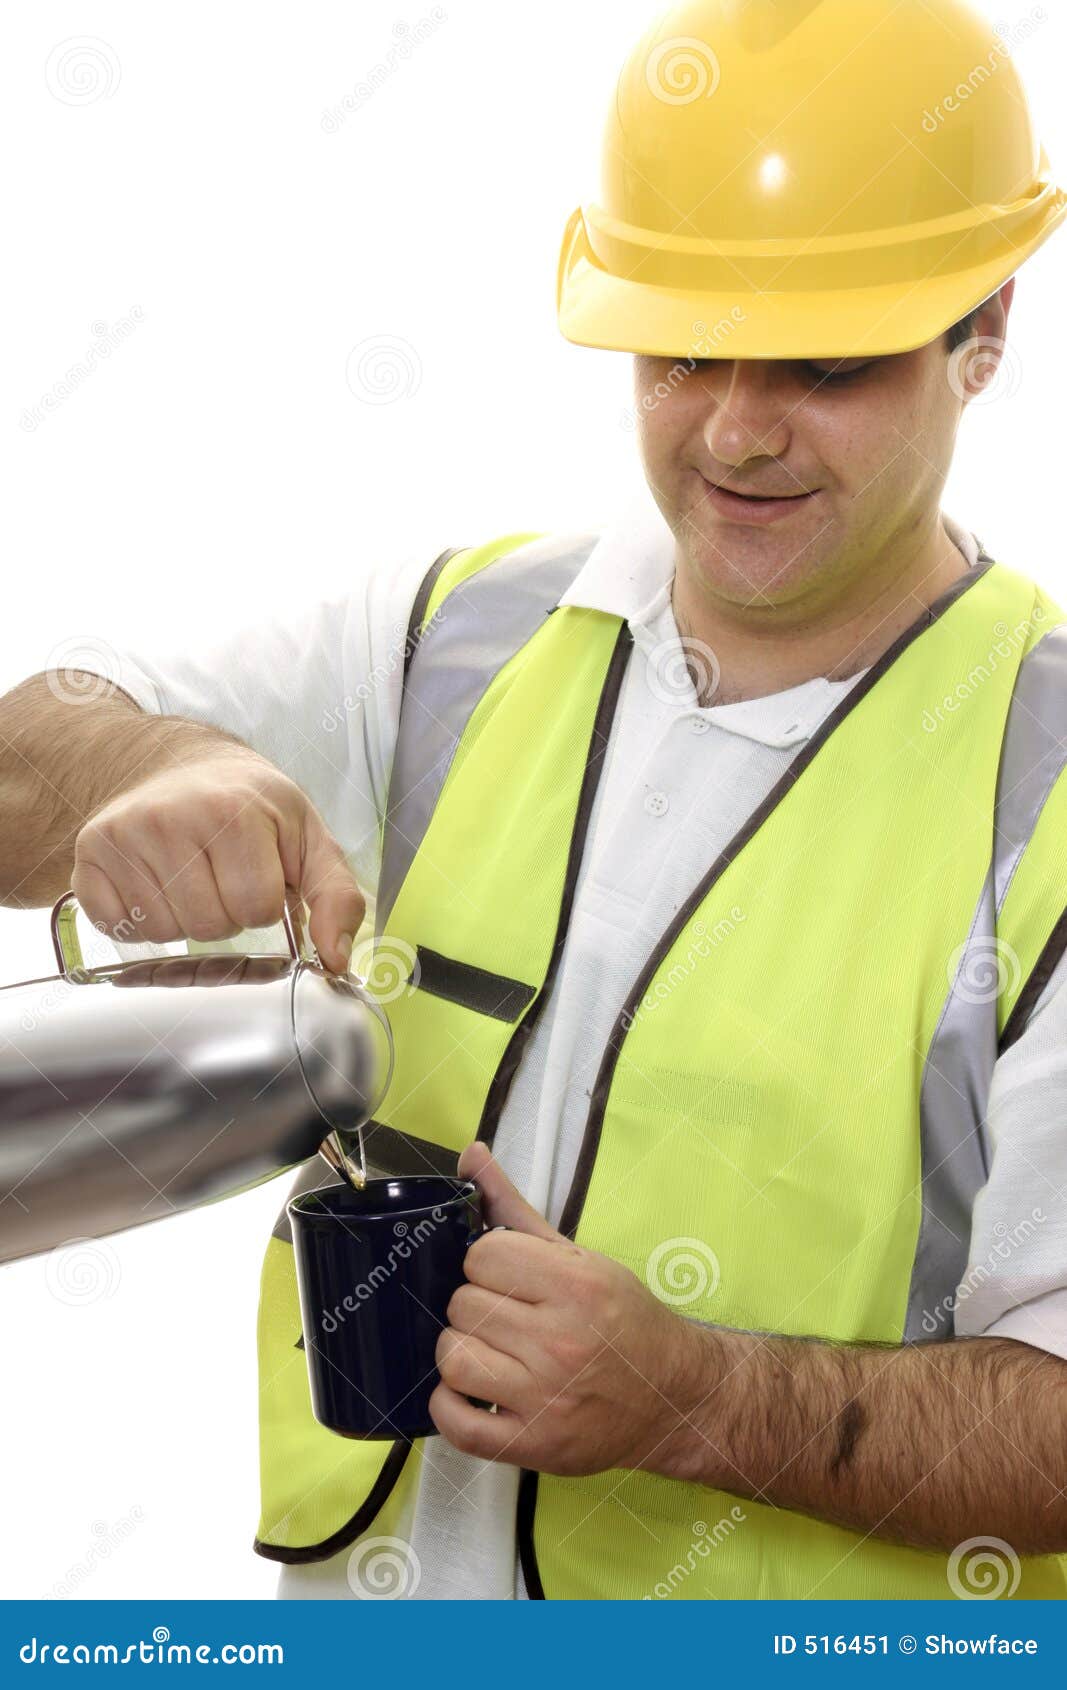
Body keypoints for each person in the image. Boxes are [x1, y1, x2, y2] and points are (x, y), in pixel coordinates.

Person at [2, 0, 1066, 1601]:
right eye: (687, 345)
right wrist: (153, 767)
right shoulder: (454, 640)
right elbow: (30, 760)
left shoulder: (1036, 784)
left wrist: (703, 1399)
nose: (735, 429)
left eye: (825, 363)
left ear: (983, 330)